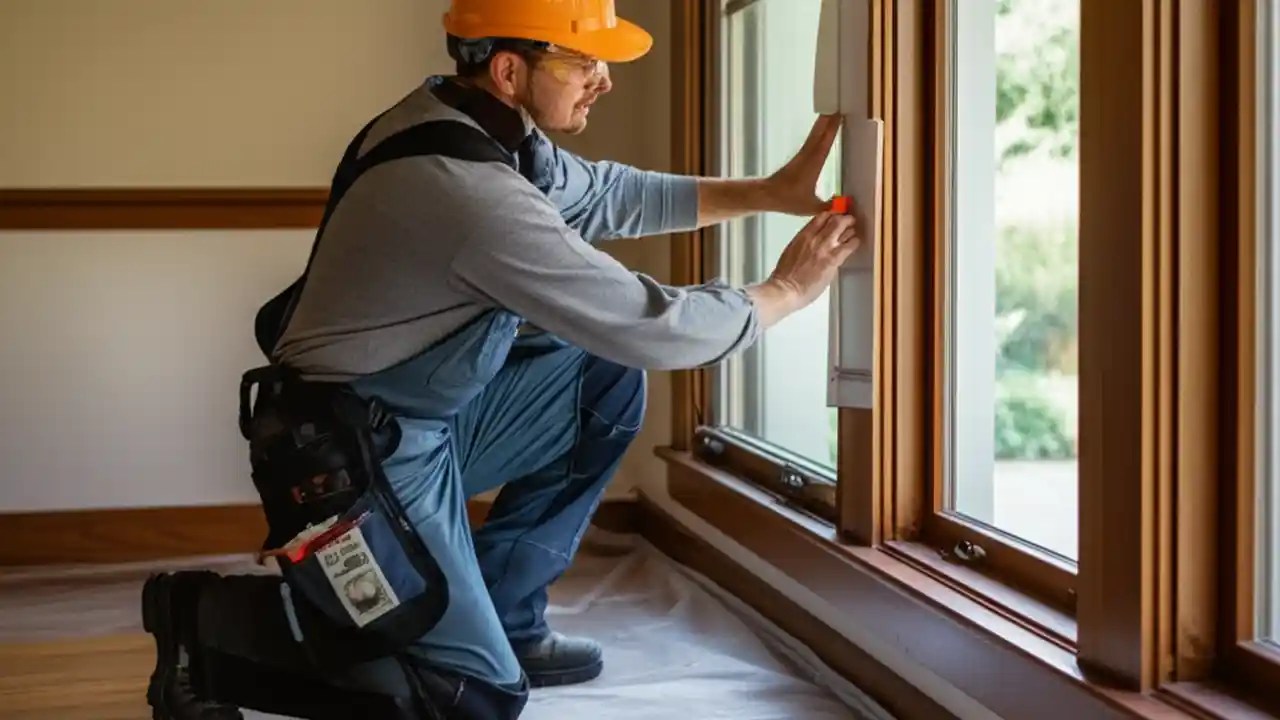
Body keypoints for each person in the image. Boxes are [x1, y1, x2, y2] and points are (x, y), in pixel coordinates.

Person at [140, 0, 859, 718]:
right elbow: (649, 325)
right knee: (471, 697)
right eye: (585, 62)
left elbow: (610, 195)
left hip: (422, 425)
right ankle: (203, 620)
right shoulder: (469, 192)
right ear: (511, 69)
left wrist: (766, 193)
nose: (604, 80)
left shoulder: (474, 127)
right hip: (347, 461)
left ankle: (503, 618)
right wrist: (786, 290)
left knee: (597, 384)